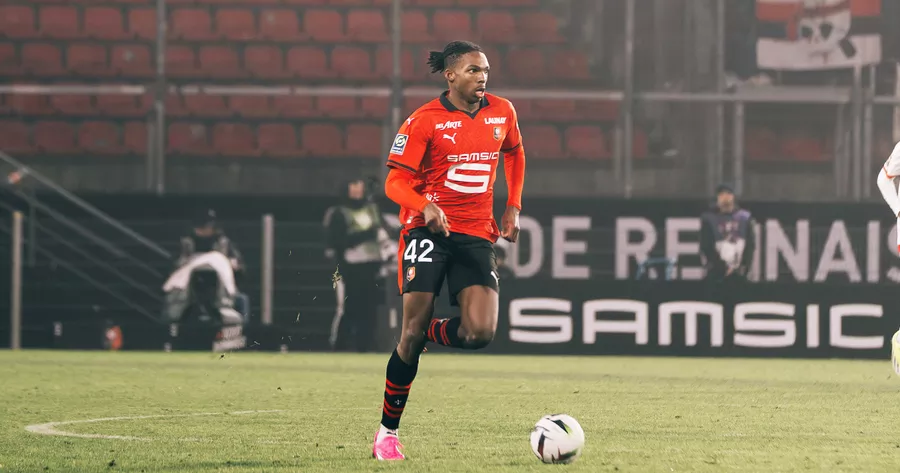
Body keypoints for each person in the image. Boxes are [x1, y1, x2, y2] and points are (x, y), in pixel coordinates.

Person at [372, 40, 526, 461]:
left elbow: (514, 151)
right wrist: (425, 205)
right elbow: (393, 183)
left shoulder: (502, 111)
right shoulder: (425, 120)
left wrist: (513, 204)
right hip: (426, 231)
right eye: (475, 70)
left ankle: (430, 333)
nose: (483, 78)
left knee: (479, 334)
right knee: (408, 334)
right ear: (451, 75)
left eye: (487, 71)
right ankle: (387, 432)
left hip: (476, 234)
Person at [322, 177, 390, 352]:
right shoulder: (339, 212)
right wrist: (367, 234)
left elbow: (384, 232)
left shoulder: (372, 210)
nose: (357, 190)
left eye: (359, 186)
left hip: (372, 266)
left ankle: (365, 346)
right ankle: (340, 346)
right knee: (349, 308)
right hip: (349, 268)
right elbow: (337, 242)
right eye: (353, 186)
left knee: (370, 310)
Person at [700, 183, 755, 282]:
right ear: (717, 198)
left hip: (739, 273)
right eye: (722, 195)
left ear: (733, 196)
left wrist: (743, 267)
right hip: (715, 273)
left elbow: (750, 246)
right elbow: (706, 245)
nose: (725, 198)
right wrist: (721, 267)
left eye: (728, 194)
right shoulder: (709, 218)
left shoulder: (745, 218)